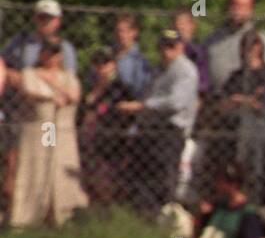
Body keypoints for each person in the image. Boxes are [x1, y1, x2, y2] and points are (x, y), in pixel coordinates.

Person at [115, 29, 198, 215]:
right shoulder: (159, 69)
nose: (166, 50)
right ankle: (144, 215)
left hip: (170, 130)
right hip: (151, 128)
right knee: (143, 174)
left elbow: (176, 102)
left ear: (180, 46)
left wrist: (141, 106)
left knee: (164, 177)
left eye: (171, 45)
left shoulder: (185, 69)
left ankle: (164, 216)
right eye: (163, 45)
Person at [9, 39, 87, 227]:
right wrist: (53, 94)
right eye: (47, 52)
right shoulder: (31, 73)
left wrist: (54, 85)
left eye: (55, 52)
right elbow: (32, 91)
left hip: (63, 130)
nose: (51, 57)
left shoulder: (68, 76)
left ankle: (62, 213)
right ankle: (32, 214)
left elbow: (73, 96)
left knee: (61, 166)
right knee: (41, 163)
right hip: (44, 127)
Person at [215, 30, 265, 202]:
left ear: (259, 48)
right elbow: (222, 105)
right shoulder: (236, 76)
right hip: (231, 131)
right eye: (244, 47)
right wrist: (245, 99)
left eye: (251, 46)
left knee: (254, 173)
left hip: (256, 131)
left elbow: (261, 105)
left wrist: (238, 99)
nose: (247, 51)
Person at [78, 47, 135, 202]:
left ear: (113, 64)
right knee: (88, 176)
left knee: (106, 180)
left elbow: (126, 115)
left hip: (110, 142)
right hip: (88, 139)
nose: (101, 67)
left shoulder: (120, 88)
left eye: (105, 63)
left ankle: (108, 210)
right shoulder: (90, 86)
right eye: (97, 63)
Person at [204, 0, 265, 93]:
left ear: (251, 10)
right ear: (228, 7)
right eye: (235, 4)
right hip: (215, 99)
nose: (238, 10)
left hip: (247, 100)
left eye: (243, 6)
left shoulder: (260, 39)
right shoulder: (213, 38)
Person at [196, 161, 262, 238]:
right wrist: (201, 217)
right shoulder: (217, 207)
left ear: (234, 184)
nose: (217, 185)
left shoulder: (247, 213)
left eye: (221, 181)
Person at [3, 0, 77, 71]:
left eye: (50, 18)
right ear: (35, 19)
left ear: (58, 21)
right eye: (41, 17)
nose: (45, 21)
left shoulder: (65, 47)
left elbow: (69, 76)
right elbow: (2, 64)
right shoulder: (20, 40)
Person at [107, 14, 151, 98]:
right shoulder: (108, 54)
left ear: (134, 32)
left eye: (126, 31)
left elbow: (140, 89)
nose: (121, 35)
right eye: (118, 31)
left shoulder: (139, 60)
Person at [172, 9, 210, 93]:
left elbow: (203, 80)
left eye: (184, 23)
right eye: (177, 23)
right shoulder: (168, 49)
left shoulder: (198, 52)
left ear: (192, 26)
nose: (180, 27)